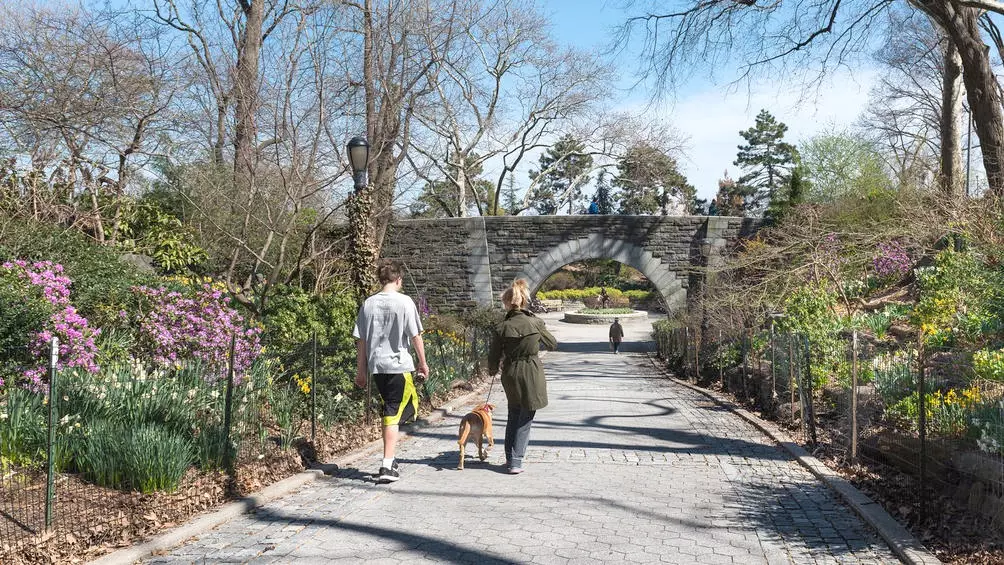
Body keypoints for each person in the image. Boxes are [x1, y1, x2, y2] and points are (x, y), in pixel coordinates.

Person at [353, 259, 429, 483]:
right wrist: (423, 362)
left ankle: (390, 458)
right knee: (395, 412)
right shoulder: (405, 302)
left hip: (378, 367)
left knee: (391, 410)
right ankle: (387, 464)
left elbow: (362, 341)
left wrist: (361, 371)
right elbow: (415, 335)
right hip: (399, 366)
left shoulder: (368, 304)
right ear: (398, 279)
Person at [488, 279, 557, 474]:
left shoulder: (502, 327)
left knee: (514, 414)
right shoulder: (535, 322)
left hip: (510, 372)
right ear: (524, 300)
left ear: (507, 302)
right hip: (531, 371)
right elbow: (552, 344)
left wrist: (493, 369)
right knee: (526, 417)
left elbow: (493, 356)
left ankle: (510, 458)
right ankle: (516, 461)